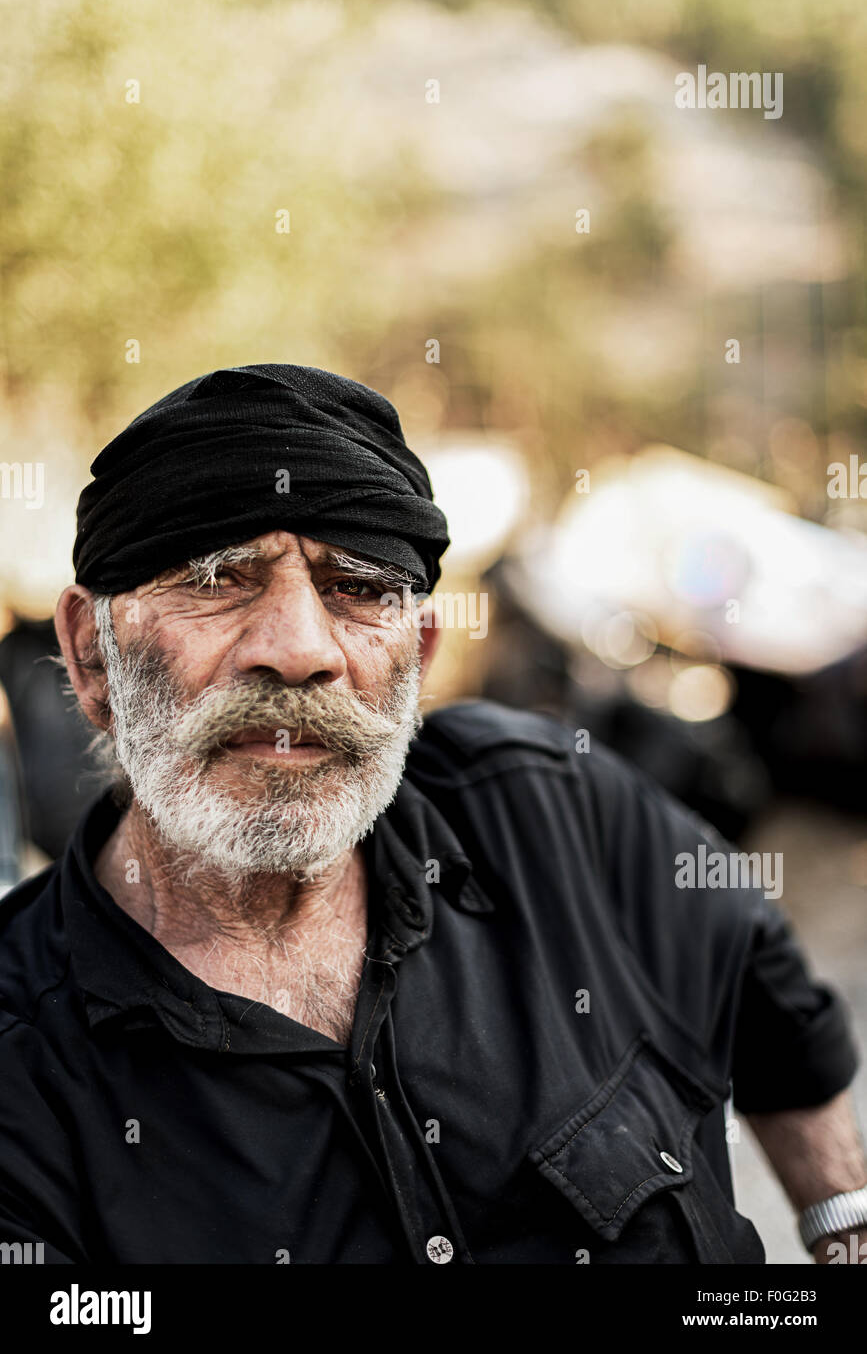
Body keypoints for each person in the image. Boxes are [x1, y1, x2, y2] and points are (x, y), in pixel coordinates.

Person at [0, 363, 864, 1265]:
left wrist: (842, 1219)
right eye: (218, 578)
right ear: (91, 656)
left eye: (359, 587)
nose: (299, 652)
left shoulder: (552, 804)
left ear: (417, 655)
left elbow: (761, 979)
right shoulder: (23, 1082)